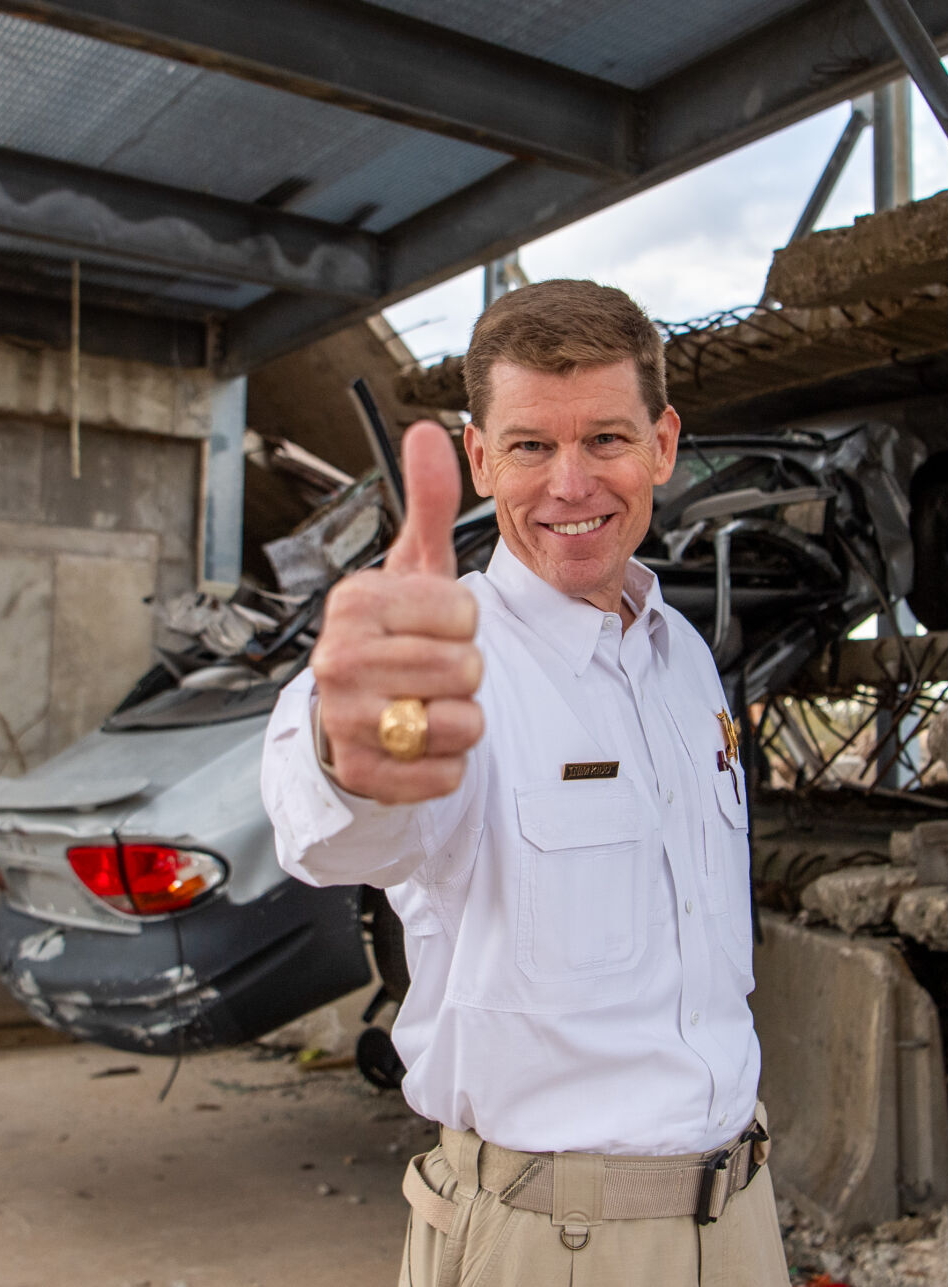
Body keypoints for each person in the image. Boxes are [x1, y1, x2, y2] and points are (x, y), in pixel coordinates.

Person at [260, 279, 788, 1287]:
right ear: (479, 459)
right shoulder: (452, 660)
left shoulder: (682, 654)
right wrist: (347, 742)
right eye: (531, 446)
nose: (570, 484)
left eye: (605, 439)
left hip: (741, 1221)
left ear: (663, 444)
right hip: (552, 1243)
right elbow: (333, 833)